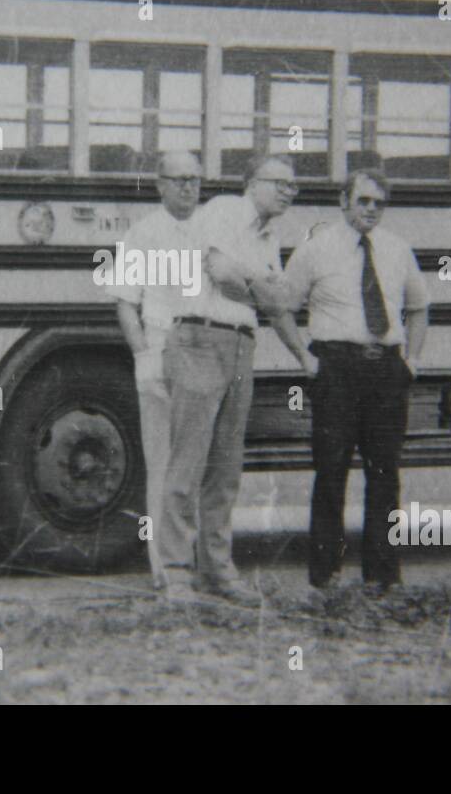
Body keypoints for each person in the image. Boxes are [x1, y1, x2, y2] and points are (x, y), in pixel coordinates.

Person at [157, 153, 298, 607]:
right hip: (199, 337)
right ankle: (176, 574)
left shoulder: (270, 236)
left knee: (225, 466)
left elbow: (274, 303)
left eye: (293, 187)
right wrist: (259, 285)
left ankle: (217, 569)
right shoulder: (222, 210)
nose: (288, 193)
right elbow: (222, 276)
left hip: (241, 343)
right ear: (252, 183)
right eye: (279, 183)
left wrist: (304, 354)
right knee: (188, 461)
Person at [279, 169, 429, 592]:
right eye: (363, 200)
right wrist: (305, 360)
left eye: (379, 203)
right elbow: (283, 307)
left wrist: (411, 361)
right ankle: (325, 573)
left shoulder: (398, 249)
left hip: (386, 368)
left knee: (386, 473)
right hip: (337, 367)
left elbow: (418, 307)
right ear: (344, 201)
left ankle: (382, 574)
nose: (370, 210)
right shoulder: (316, 249)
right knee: (331, 469)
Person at [107, 151, 205, 589]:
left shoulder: (212, 230)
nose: (188, 187)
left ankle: (196, 560)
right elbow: (126, 301)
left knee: (198, 459)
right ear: (160, 184)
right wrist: (144, 354)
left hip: (205, 352)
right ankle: (164, 567)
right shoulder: (142, 234)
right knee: (162, 461)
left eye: (195, 180)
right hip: (162, 348)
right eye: (179, 179)